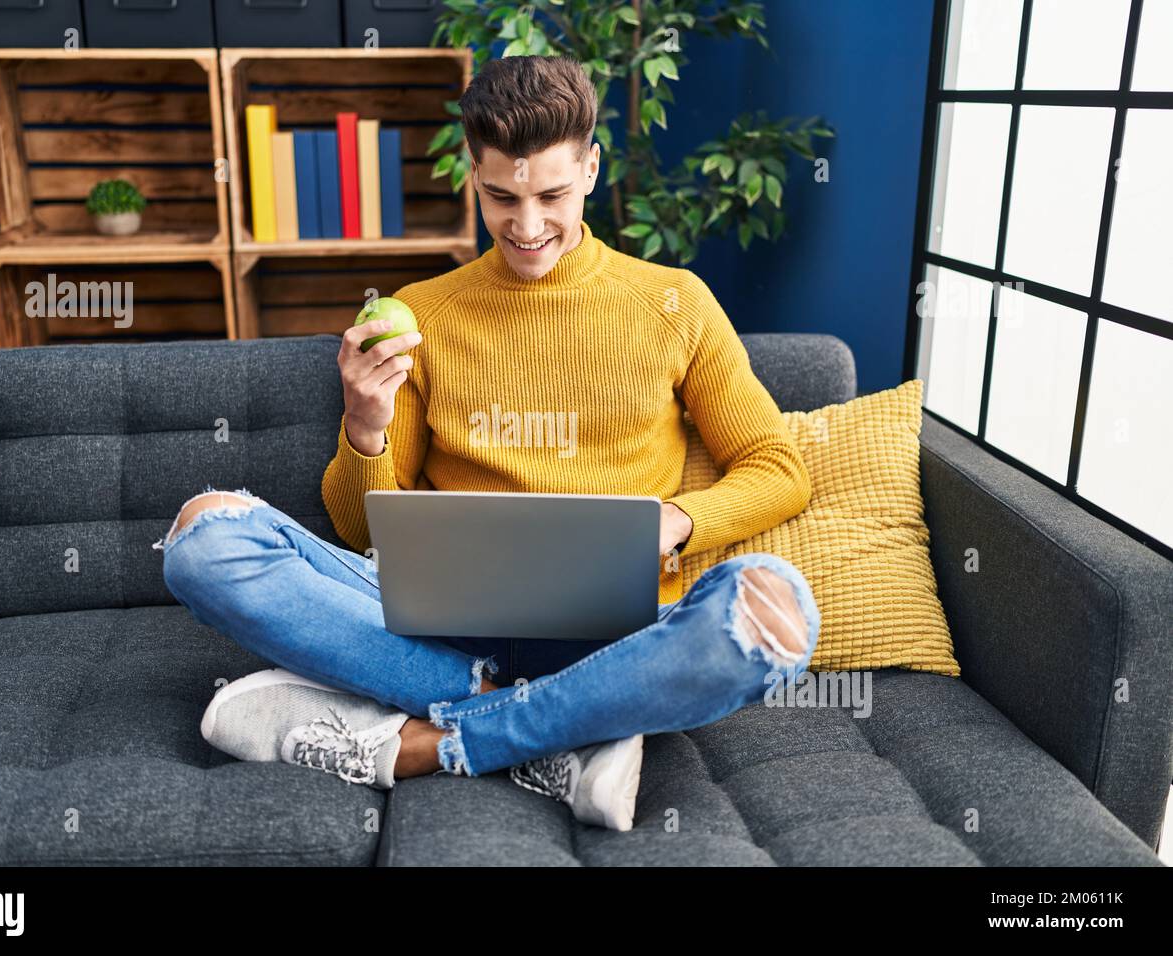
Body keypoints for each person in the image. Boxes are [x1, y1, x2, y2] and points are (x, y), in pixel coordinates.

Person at [159, 54, 821, 832]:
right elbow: (361, 530)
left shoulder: (676, 305)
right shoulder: (424, 313)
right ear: (472, 173)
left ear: (591, 168)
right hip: (430, 621)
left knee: (776, 612)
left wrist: (673, 523)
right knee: (204, 537)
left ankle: (426, 741)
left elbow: (778, 468)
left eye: (552, 195)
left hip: (610, 636)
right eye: (500, 197)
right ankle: (555, 732)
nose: (528, 226)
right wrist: (365, 426)